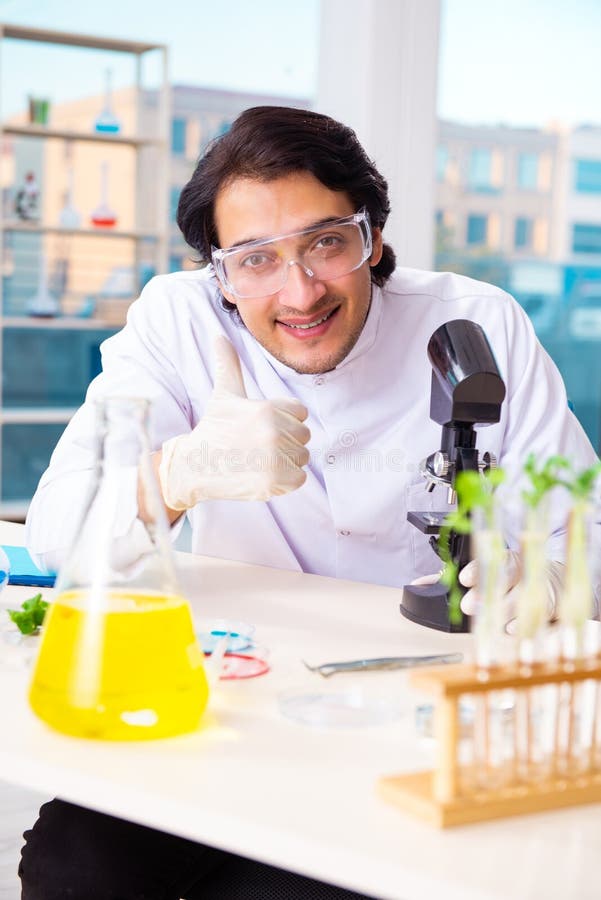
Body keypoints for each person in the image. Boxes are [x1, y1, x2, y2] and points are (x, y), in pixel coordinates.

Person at [20, 105, 598, 899]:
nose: (299, 291)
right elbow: (55, 537)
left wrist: (555, 574)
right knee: (75, 863)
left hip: (406, 715)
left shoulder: (474, 322)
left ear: (374, 239)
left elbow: (582, 522)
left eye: (328, 242)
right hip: (230, 698)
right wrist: (181, 471)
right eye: (255, 259)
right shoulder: (177, 321)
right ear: (216, 270)